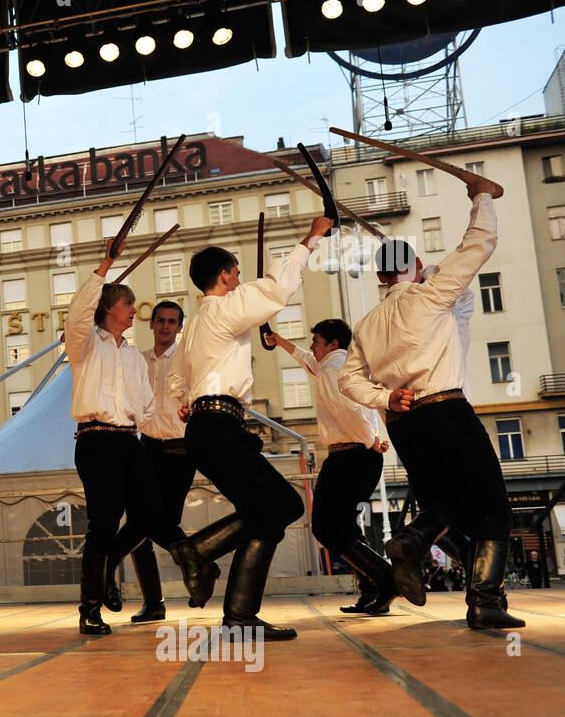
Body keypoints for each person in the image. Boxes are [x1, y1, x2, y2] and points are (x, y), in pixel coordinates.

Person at [340, 176, 523, 630]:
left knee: (444, 504)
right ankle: (484, 601)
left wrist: (384, 396)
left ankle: (414, 540)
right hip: (446, 410)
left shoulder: (365, 323)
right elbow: (478, 243)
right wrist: (482, 195)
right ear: (417, 266)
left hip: (404, 421)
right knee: (492, 507)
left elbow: (348, 380)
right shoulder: (431, 294)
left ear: (381, 276)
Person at [167, 214, 334, 641]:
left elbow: (175, 379)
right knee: (279, 508)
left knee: (273, 511)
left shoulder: (195, 327)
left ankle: (228, 599)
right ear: (223, 277)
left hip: (209, 427)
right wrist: (311, 238)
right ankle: (203, 563)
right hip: (219, 427)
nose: (241, 280)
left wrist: (186, 402)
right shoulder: (224, 309)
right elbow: (278, 289)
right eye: (237, 273)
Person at [64, 255, 214, 635]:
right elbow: (78, 313)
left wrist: (160, 420)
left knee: (149, 516)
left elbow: (146, 406)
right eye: (128, 304)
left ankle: (114, 573)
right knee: (103, 524)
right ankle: (91, 609)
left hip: (130, 442)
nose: (134, 310)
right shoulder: (84, 345)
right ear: (108, 309)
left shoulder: (133, 356)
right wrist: (103, 267)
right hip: (95, 439)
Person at [269, 319, 395, 615]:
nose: (312, 346)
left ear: (332, 344)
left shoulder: (331, 369)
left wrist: (369, 440)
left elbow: (346, 409)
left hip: (350, 455)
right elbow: (310, 362)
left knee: (326, 527)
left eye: (316, 341)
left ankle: (385, 578)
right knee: (345, 526)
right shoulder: (342, 365)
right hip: (357, 456)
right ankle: (373, 590)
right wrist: (281, 342)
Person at [121, 299, 210, 623]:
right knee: (137, 522)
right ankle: (154, 602)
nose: (165, 326)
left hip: (179, 449)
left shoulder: (188, 361)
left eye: (172, 321)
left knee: (161, 522)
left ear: (180, 327)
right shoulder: (138, 361)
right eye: (160, 320)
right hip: (145, 447)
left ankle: (198, 560)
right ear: (151, 324)